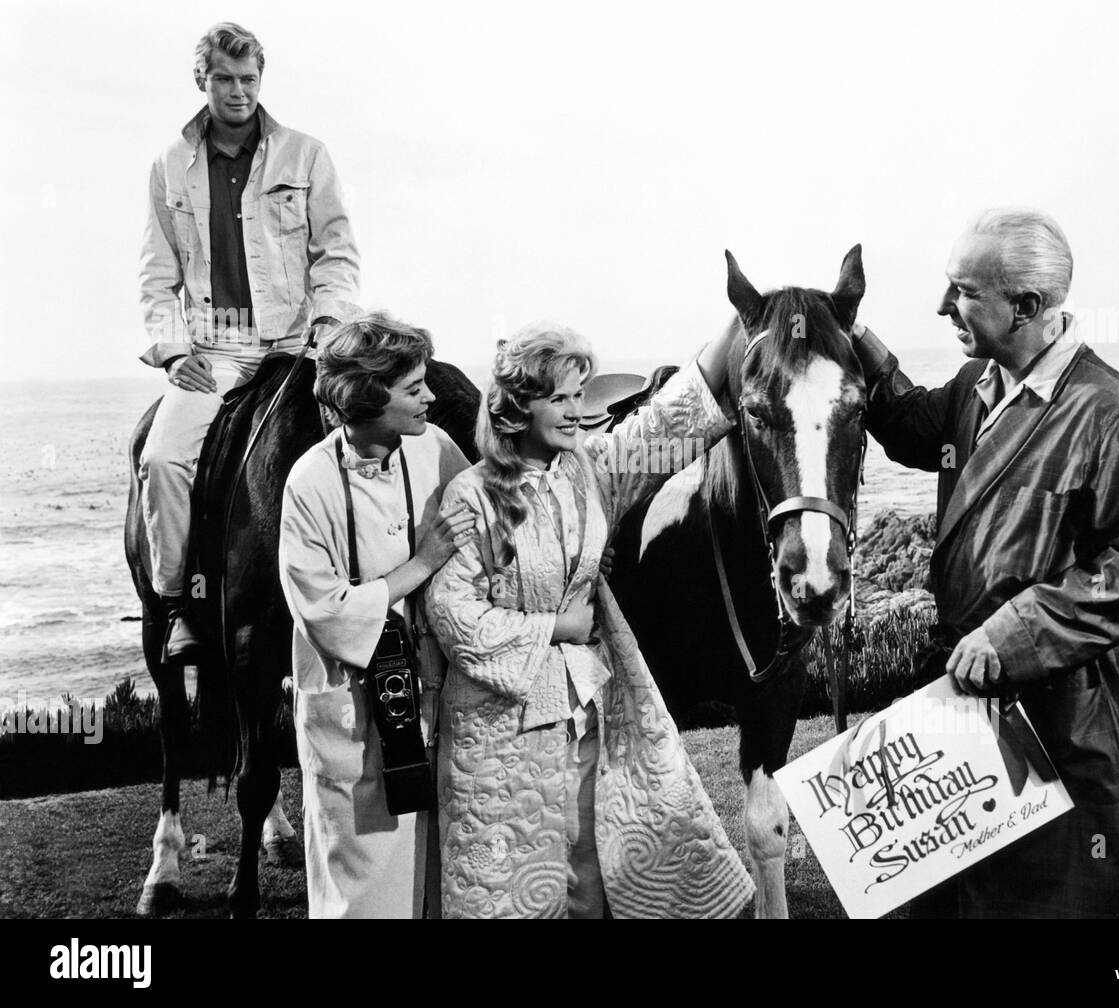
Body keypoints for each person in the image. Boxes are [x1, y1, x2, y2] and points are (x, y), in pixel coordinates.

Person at [851, 208, 1119, 917]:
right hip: (973, 718)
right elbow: (914, 423)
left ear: (1026, 306)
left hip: (1070, 720)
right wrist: (848, 337)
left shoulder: (1110, 412)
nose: (945, 306)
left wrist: (1017, 631)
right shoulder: (979, 385)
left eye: (964, 291)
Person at [427, 323, 755, 918]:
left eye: (580, 395)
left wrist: (744, 324)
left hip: (589, 713)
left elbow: (663, 429)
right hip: (500, 733)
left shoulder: (586, 471)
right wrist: (556, 628)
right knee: (520, 893)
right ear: (514, 408)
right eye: (559, 399)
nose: (577, 413)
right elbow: (452, 615)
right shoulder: (470, 495)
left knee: (596, 884)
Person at [138, 22, 360, 661]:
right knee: (162, 459)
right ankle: (181, 602)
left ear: (261, 80)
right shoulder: (168, 168)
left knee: (380, 433)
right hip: (217, 348)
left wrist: (330, 320)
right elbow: (157, 274)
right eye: (225, 79)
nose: (238, 92)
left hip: (304, 338)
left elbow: (336, 251)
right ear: (201, 81)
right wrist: (176, 352)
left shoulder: (306, 155)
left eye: (249, 79)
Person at [278, 314, 474, 918]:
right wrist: (423, 562)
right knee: (363, 903)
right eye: (414, 389)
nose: (432, 398)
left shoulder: (436, 449)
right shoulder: (308, 483)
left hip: (435, 711)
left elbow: (490, 531)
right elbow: (327, 613)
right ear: (367, 395)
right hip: (354, 724)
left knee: (439, 892)